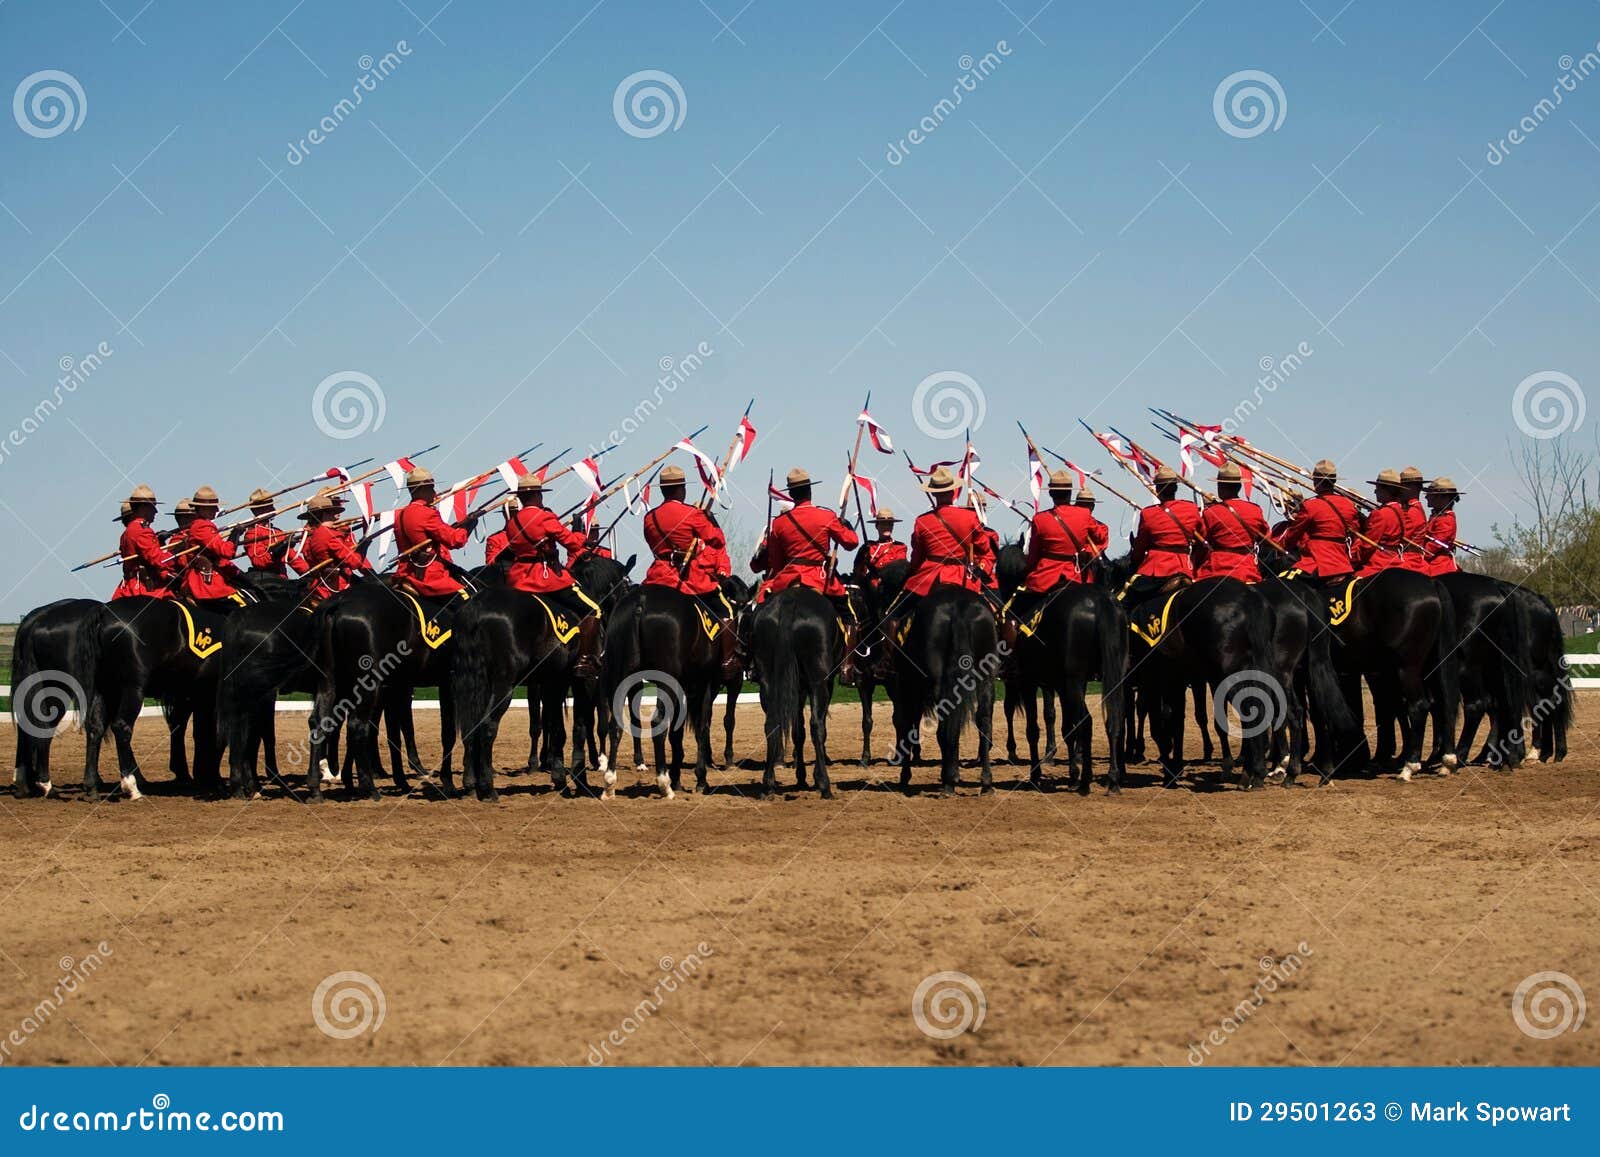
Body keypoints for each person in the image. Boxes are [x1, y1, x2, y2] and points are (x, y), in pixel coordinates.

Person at [750, 467, 862, 681]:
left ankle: (754, 662)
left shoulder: (780, 523)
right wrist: (841, 526)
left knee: (758, 613)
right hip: (819, 580)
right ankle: (847, 667)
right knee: (850, 617)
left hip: (787, 579)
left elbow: (776, 561)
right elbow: (851, 542)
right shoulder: (825, 516)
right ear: (810, 491)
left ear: (791, 495)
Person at [644, 465, 741, 680]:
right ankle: (728, 660)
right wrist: (706, 520)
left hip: (659, 576)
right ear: (681, 489)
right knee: (726, 610)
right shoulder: (692, 514)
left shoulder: (650, 517)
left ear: (663, 490)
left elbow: (652, 544)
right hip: (688, 578)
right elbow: (718, 540)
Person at [502, 474, 603, 677]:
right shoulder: (545, 517)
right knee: (594, 610)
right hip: (545, 578)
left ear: (521, 497)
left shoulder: (512, 523)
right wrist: (578, 530)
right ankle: (584, 661)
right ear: (538, 495)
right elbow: (573, 543)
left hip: (519, 579)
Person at [394, 466, 477, 597]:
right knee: (470, 600)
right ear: (421, 489)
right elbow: (455, 540)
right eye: (431, 488)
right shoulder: (427, 513)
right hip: (429, 577)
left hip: (406, 573)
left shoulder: (399, 515)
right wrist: (467, 527)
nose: (434, 493)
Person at [1277, 459, 1359, 582]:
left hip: (1317, 562)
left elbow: (1293, 535)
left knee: (1284, 583)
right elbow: (1354, 535)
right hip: (1342, 562)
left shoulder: (1311, 506)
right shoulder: (1348, 504)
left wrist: (1282, 546)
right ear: (1334, 482)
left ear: (1316, 482)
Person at [1124, 466, 1200, 596]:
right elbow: (1200, 537)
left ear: (1157, 490)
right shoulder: (1191, 508)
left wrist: (1135, 561)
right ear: (1175, 488)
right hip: (1186, 568)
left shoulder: (1148, 513)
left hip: (1158, 569)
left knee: (1125, 601)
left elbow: (1140, 546)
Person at [1195, 463, 1268, 583]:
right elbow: (1265, 537)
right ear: (1239, 486)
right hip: (1248, 570)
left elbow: (1202, 542)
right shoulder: (1255, 510)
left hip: (1216, 569)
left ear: (1221, 486)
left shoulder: (1211, 512)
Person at [299, 492, 373, 599]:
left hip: (319, 585)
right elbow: (354, 562)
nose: (334, 516)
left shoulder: (313, 534)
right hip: (338, 587)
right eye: (331, 512)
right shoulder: (330, 535)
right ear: (323, 514)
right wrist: (363, 546)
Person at [175, 486, 243, 604]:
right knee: (242, 607)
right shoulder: (203, 526)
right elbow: (226, 552)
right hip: (206, 584)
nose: (216, 509)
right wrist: (235, 534)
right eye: (212, 507)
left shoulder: (203, 525)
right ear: (201, 509)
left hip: (209, 578)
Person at [111, 486, 175, 600]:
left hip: (129, 586)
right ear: (143, 507)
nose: (155, 511)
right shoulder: (143, 531)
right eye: (152, 507)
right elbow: (159, 560)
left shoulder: (128, 531)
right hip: (146, 587)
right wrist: (175, 553)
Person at [1354, 468, 1411, 577]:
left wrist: (1352, 559)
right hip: (1395, 560)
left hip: (1377, 563)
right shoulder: (1400, 511)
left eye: (1378, 488)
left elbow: (1368, 546)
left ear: (1387, 490)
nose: (1375, 491)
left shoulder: (1380, 514)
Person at [240, 487, 298, 575]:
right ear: (256, 510)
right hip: (268, 580)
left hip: (282, 580)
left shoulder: (278, 532)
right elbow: (259, 561)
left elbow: (294, 559)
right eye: (268, 507)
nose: (274, 509)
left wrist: (309, 573)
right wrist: (280, 548)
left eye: (272, 506)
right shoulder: (252, 534)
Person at [1422, 477, 1461, 576]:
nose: (1426, 497)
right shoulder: (1437, 516)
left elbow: (1435, 545)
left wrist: (1418, 553)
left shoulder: (1446, 519)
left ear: (1443, 498)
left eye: (1431, 494)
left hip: (1438, 566)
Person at [853, 508, 908, 574]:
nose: (887, 527)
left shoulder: (900, 547)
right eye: (883, 524)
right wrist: (863, 556)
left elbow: (900, 570)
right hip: (871, 583)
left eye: (889, 524)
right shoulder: (869, 546)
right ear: (877, 526)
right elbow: (858, 572)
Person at [1397, 465, 1430, 572]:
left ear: (1412, 488)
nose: (1398, 491)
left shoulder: (1412, 511)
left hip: (1410, 559)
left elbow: (1402, 537)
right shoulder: (1412, 508)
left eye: (1402, 487)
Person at [484, 498, 519, 566]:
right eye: (512, 513)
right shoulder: (495, 539)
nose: (515, 515)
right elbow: (491, 564)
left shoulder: (533, 534)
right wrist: (507, 553)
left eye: (516, 512)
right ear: (504, 514)